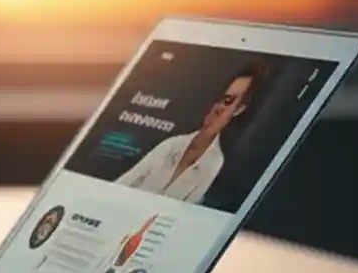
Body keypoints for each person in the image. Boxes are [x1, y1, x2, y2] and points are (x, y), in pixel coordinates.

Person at [114, 61, 268, 204]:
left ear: (240, 110)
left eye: (229, 101)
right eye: (221, 98)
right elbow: (124, 182)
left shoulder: (215, 164)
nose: (218, 108)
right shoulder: (171, 144)